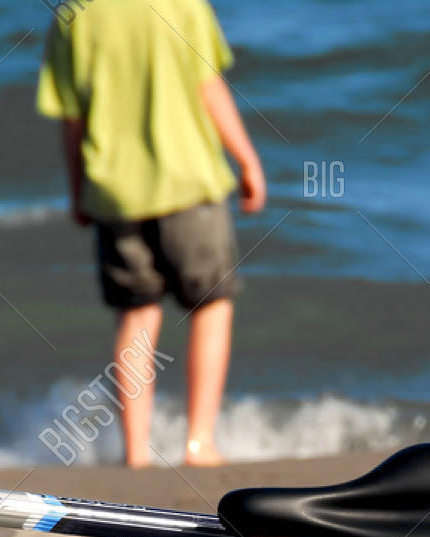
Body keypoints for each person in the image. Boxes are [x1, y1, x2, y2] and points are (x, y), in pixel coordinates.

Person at [37, 0, 266, 468]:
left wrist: (78, 190)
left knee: (137, 316)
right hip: (189, 182)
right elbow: (209, 87)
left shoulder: (73, 14)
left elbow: (72, 118)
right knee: (212, 304)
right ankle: (198, 442)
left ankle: (137, 451)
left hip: (115, 191)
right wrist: (246, 159)